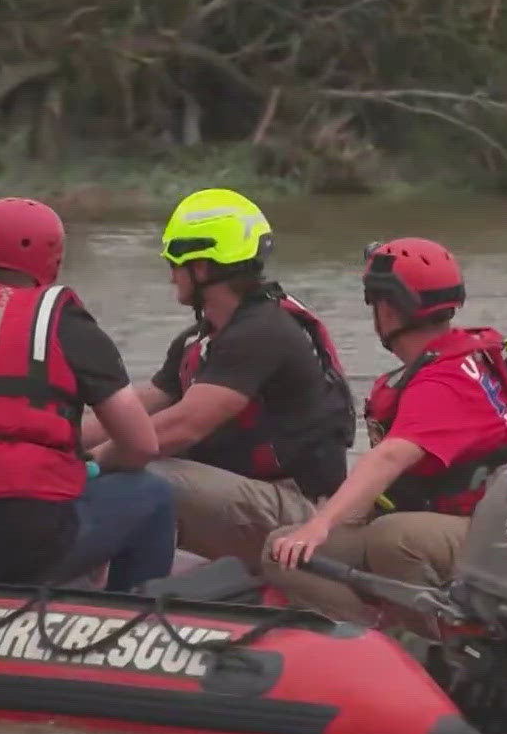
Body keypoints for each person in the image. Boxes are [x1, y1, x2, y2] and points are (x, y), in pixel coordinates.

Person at [262, 238, 507, 629]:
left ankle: (425, 647)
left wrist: (320, 525)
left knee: (397, 536)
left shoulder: (447, 382)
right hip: (468, 522)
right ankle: (370, 636)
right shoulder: (450, 362)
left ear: (387, 309)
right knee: (282, 551)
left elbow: (390, 457)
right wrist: (322, 525)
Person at [0, 197, 175, 592]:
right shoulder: (65, 322)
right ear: (53, 262)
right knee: (154, 493)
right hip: (27, 542)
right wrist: (92, 465)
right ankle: (132, 626)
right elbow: (142, 444)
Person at [80, 188, 356, 572]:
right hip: (244, 494)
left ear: (204, 268)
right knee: (130, 466)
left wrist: (90, 463)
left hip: (298, 509)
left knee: (145, 474)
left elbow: (183, 426)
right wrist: (55, 439)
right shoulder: (203, 338)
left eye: (176, 263)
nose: (170, 274)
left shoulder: (263, 332)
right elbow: (139, 405)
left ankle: (115, 595)